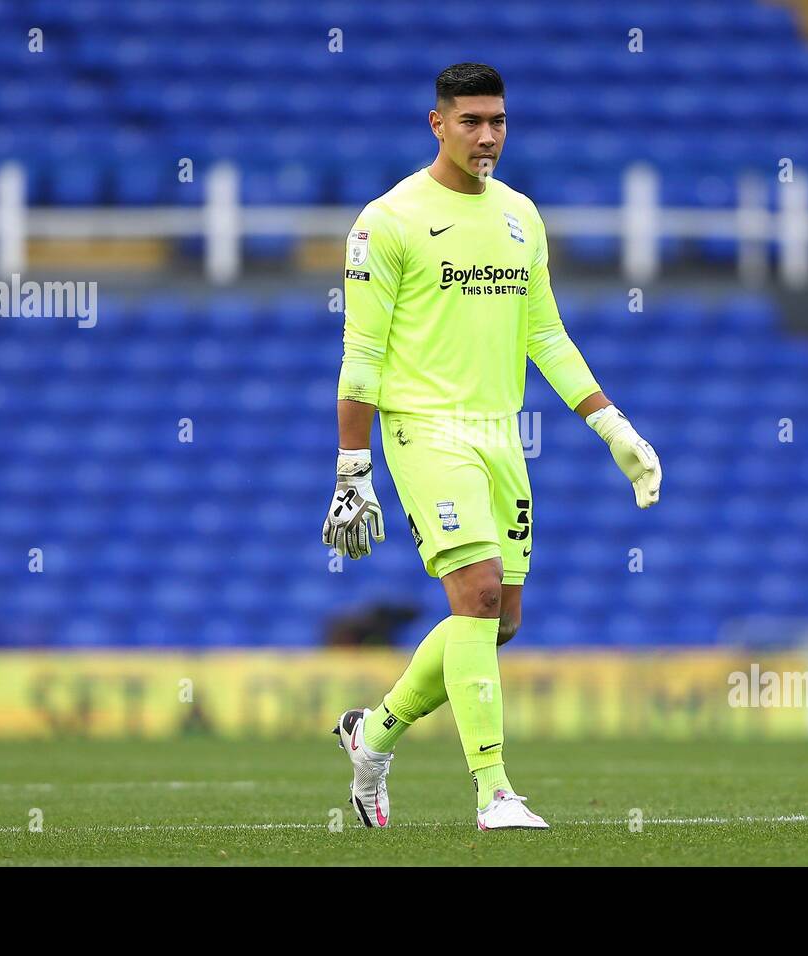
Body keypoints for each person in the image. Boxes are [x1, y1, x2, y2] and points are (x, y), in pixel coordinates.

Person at [322, 63, 661, 830]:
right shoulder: (389, 221)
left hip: (500, 435)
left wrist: (613, 426)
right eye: (471, 120)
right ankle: (494, 791)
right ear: (436, 123)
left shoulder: (520, 217)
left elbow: (545, 332)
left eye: (498, 121)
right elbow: (361, 356)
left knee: (500, 621)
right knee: (474, 594)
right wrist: (353, 466)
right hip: (423, 430)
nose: (487, 135)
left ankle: (371, 735)